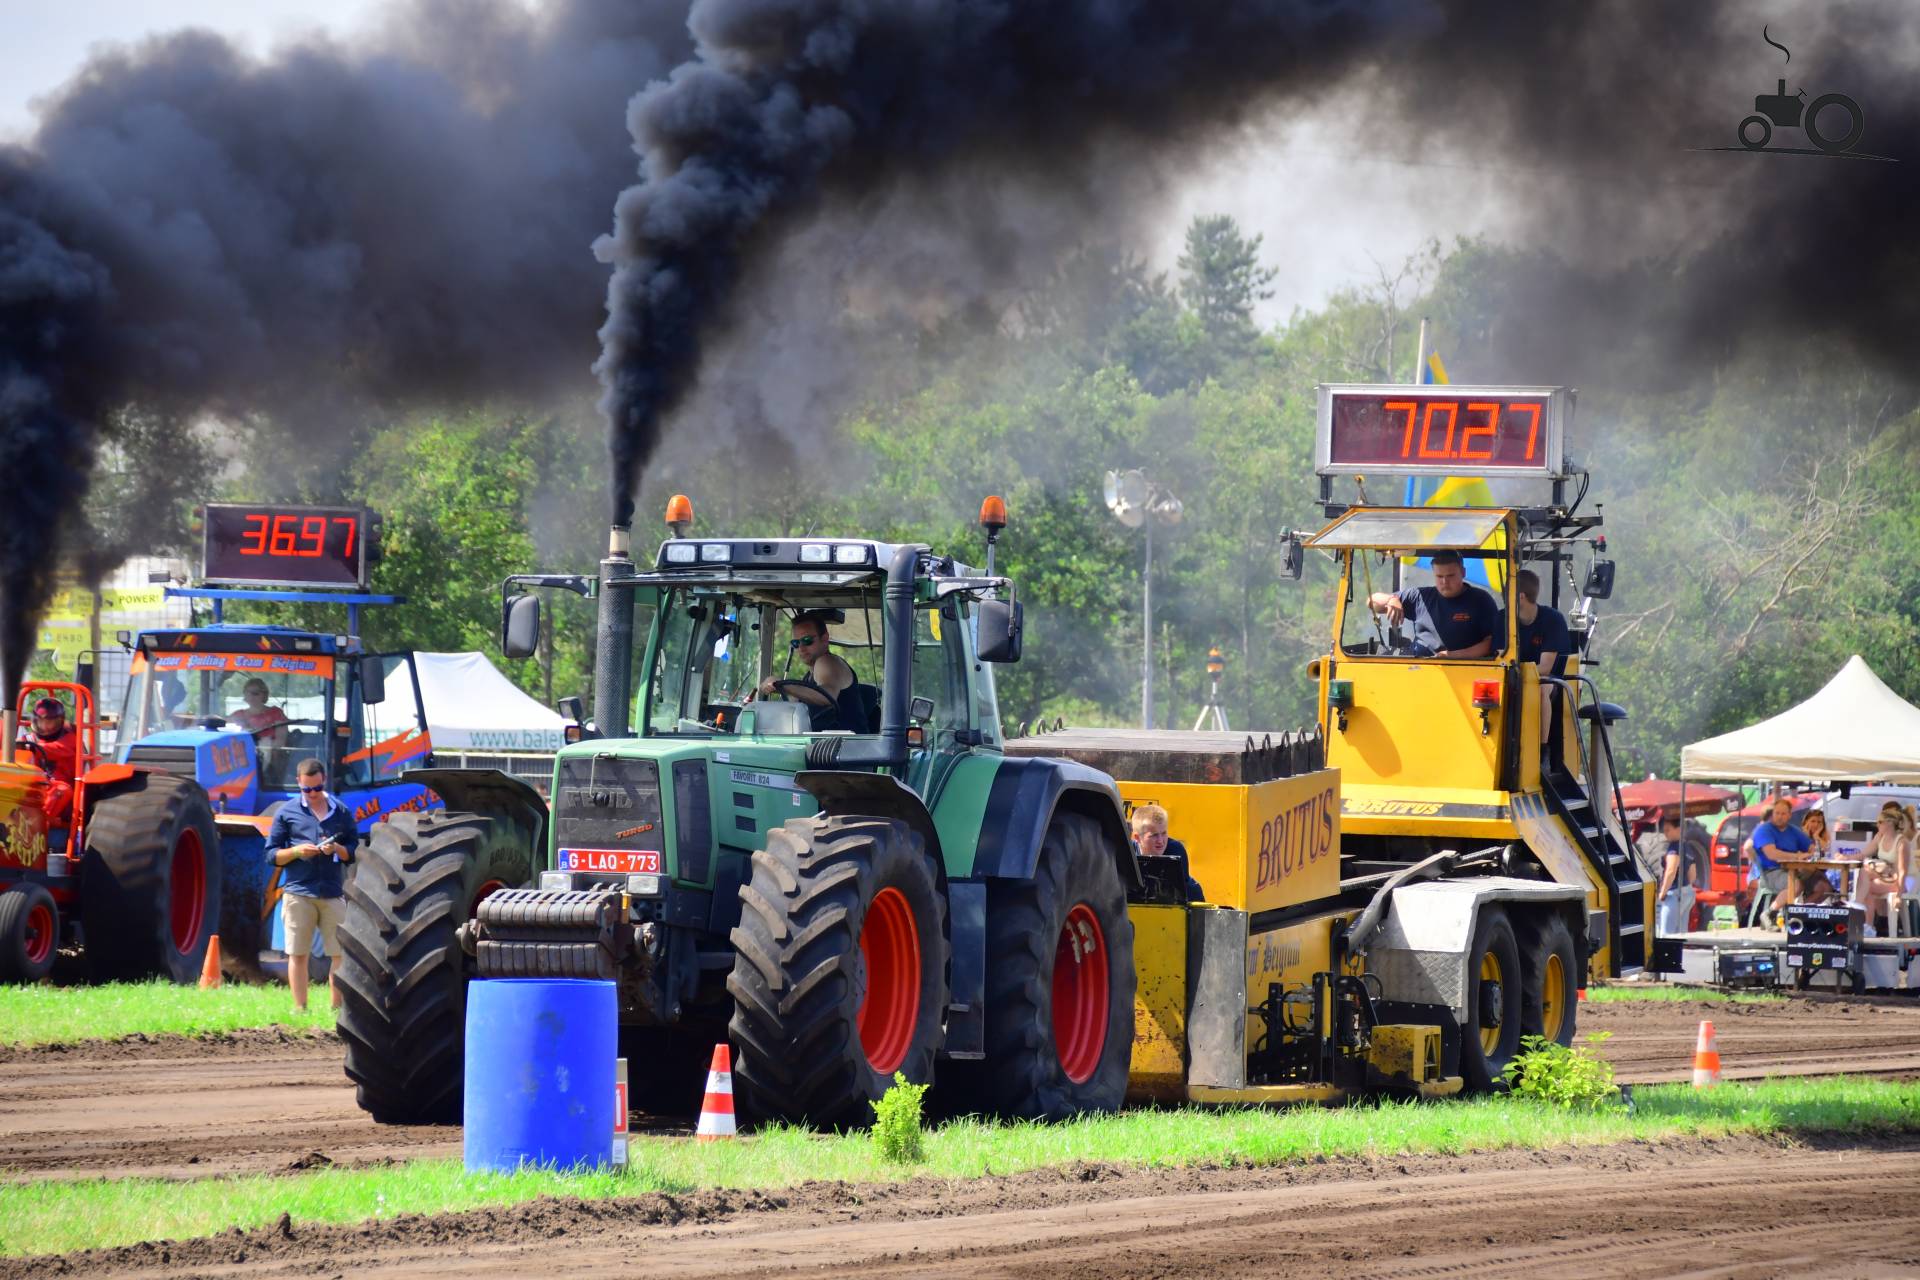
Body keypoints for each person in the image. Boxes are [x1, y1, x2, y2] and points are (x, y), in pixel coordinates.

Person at [265, 758, 358, 1012]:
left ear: (324, 780)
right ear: (298, 783)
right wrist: (296, 852)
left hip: (332, 892)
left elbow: (354, 850)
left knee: (339, 954)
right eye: (307, 789)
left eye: (317, 788)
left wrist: (336, 848)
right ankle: (300, 1008)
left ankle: (336, 1009)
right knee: (297, 954)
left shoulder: (341, 811)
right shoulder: (286, 812)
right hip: (298, 893)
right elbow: (271, 855)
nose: (313, 794)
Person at [1367, 550, 1499, 659]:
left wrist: (1451, 656)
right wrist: (1391, 599)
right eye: (1439, 576)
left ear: (1463, 572)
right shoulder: (1419, 596)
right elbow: (1371, 601)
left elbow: (1491, 643)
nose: (1445, 582)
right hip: (1417, 668)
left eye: (1450, 576)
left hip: (1465, 670)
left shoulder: (1481, 600)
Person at [758, 611, 871, 733]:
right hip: (826, 743)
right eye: (796, 643)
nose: (801, 648)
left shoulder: (827, 662)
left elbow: (827, 696)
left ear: (825, 638)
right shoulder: (809, 676)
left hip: (847, 744)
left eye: (807, 640)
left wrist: (783, 685)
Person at [1851, 802, 1912, 933]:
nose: (1877, 825)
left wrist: (1899, 895)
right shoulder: (1880, 837)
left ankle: (1860, 912)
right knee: (1866, 876)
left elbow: (1903, 871)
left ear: (1889, 823)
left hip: (1899, 882)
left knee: (1866, 883)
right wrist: (1844, 858)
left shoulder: (1902, 842)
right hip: (1885, 877)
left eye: (1880, 822)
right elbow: (1864, 854)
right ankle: (1867, 925)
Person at [21, 697, 79, 828]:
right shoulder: (27, 739)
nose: (45, 726)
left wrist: (31, 748)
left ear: (59, 722)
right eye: (41, 721)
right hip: (34, 786)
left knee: (62, 790)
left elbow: (55, 749)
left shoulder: (70, 739)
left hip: (59, 788)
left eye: (50, 722)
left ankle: (39, 822)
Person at [1748, 796, 1809, 918]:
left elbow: (1810, 847)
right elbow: (1772, 854)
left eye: (1783, 813)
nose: (1780, 816)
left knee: (1820, 884)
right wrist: (1796, 856)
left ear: (1789, 815)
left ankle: (1803, 918)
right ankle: (1770, 913)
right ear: (1772, 814)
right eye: (1777, 813)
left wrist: (1813, 848)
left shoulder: (1793, 831)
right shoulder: (1764, 830)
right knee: (1795, 885)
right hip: (1770, 872)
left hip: (1792, 870)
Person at [1129, 803, 1205, 901]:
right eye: (1154, 835)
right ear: (1137, 837)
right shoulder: (1127, 853)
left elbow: (1181, 894)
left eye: (1164, 833)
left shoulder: (1175, 850)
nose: (1160, 841)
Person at [1775, 807, 1837, 915]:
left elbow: (1826, 850)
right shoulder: (1800, 835)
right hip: (1797, 872)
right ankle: (1795, 911)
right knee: (1824, 886)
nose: (1816, 824)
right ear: (1806, 822)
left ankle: (1800, 911)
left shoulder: (1823, 836)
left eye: (1819, 822)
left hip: (1814, 872)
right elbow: (1799, 855)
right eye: (1813, 821)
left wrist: (1816, 836)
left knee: (1826, 889)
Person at [1655, 811, 1705, 936]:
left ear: (1678, 829)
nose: (1665, 833)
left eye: (1668, 830)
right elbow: (1692, 874)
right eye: (1664, 830)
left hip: (1674, 894)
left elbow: (1671, 870)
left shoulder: (1674, 848)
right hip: (1687, 892)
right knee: (1681, 934)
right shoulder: (1687, 847)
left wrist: (1662, 893)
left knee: (1666, 935)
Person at [228, 677, 289, 745]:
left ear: (264, 694)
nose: (250, 696)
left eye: (255, 693)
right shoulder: (237, 715)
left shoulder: (276, 713)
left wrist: (265, 746)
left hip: (269, 751)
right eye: (247, 692)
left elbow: (280, 741)